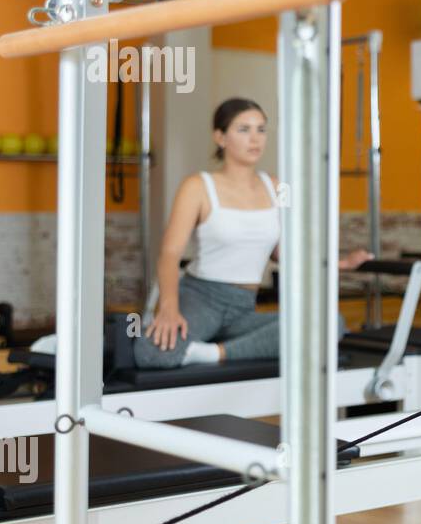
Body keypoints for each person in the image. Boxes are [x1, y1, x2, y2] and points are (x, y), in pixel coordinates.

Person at [135, 98, 370, 368]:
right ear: (220, 137)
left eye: (261, 129)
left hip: (244, 306)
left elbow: (285, 253)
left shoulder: (276, 187)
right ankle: (213, 347)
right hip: (201, 298)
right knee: (150, 352)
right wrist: (168, 308)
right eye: (244, 129)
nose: (255, 138)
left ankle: (213, 353)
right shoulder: (198, 186)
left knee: (329, 323)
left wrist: (341, 264)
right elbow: (169, 253)